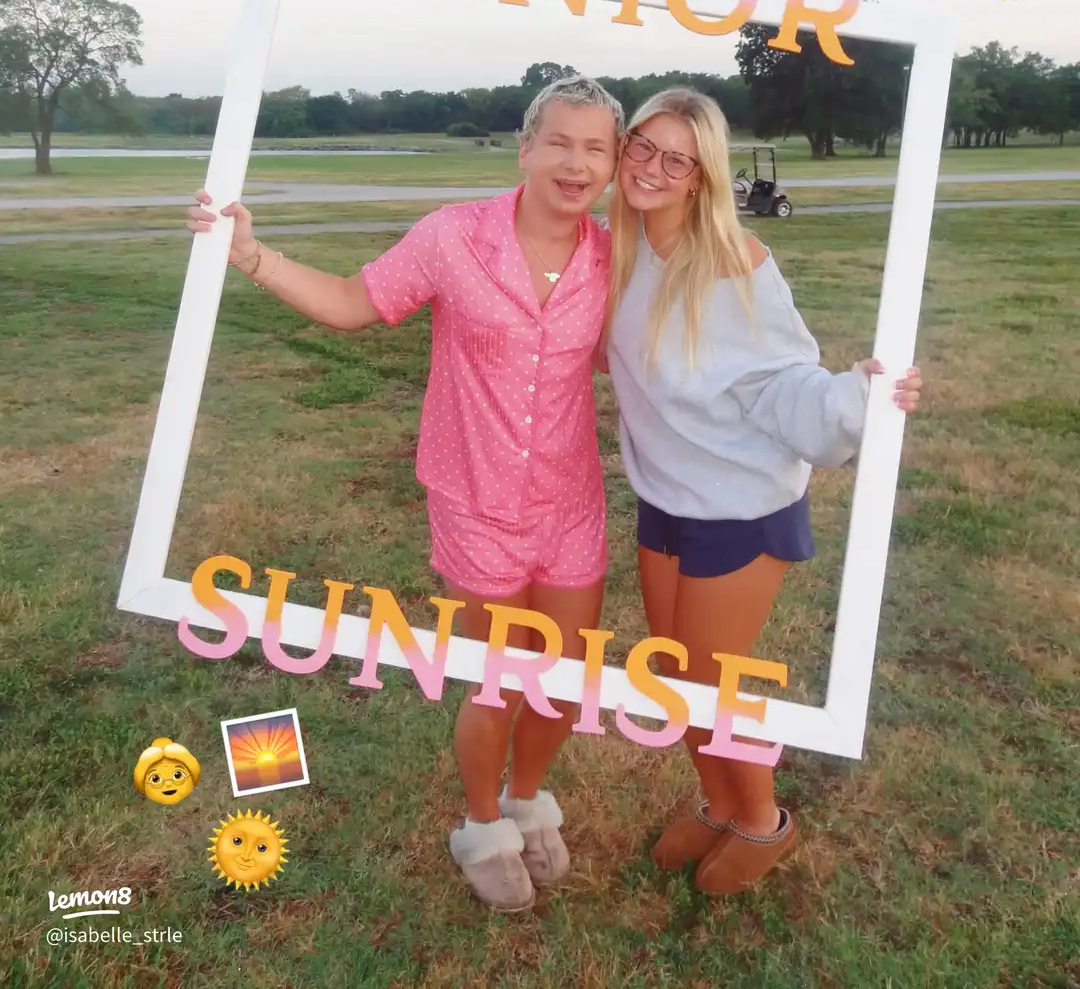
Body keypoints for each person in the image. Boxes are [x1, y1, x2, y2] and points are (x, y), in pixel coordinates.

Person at [186, 76, 624, 912]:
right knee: (496, 680)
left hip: (571, 504)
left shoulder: (611, 259)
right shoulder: (453, 237)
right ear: (526, 147)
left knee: (564, 678)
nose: (576, 163)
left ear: (610, 166)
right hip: (473, 500)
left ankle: (531, 799)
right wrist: (251, 255)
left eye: (595, 147)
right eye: (560, 142)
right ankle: (484, 823)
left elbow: (655, 357)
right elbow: (355, 302)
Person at [602, 87, 923, 895]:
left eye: (677, 158)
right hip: (666, 497)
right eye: (643, 145)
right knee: (671, 678)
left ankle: (763, 821)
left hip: (741, 507)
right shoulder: (620, 247)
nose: (652, 167)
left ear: (701, 178)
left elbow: (786, 381)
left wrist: (858, 398)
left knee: (713, 682)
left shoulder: (734, 262)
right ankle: (716, 804)